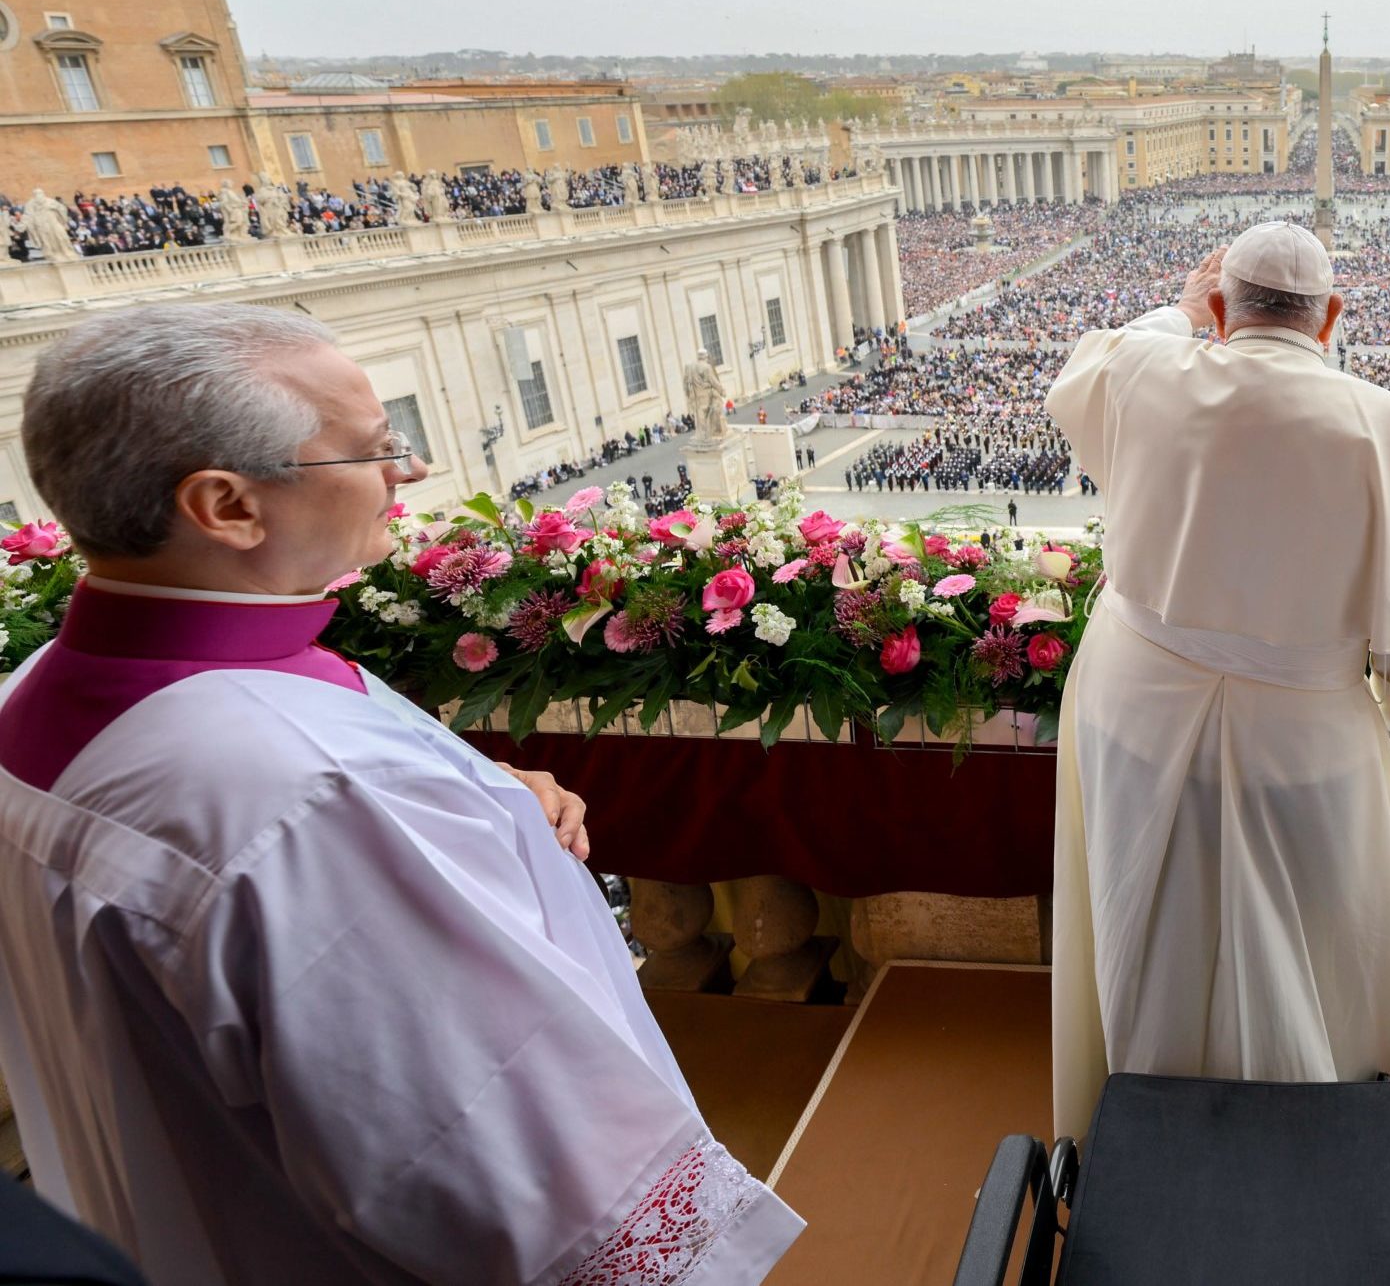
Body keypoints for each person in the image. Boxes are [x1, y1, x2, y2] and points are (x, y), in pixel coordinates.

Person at [0, 305, 803, 1282]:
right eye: (375, 450)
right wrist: (404, 814)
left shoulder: (40, 691)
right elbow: (496, 1156)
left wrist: (476, 797)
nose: (404, 473)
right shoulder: (311, 797)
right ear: (227, 505)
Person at [1043, 223, 1390, 1142]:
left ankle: (1142, 1117)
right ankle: (1309, 1136)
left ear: (1219, 309)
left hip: (1134, 706)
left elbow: (1085, 373)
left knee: (1149, 923)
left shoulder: (1144, 371)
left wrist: (1180, 315)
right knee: (1314, 946)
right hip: (1306, 733)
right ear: (1331, 317)